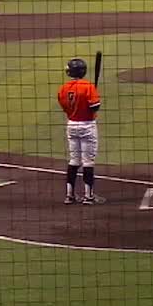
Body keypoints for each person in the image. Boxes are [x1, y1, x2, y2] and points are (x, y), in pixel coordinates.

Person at [57, 58, 104, 204]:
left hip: (71, 125)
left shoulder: (63, 88)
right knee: (88, 162)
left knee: (74, 160)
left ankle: (69, 195)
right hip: (87, 126)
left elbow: (65, 106)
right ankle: (88, 196)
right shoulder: (88, 86)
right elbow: (95, 107)